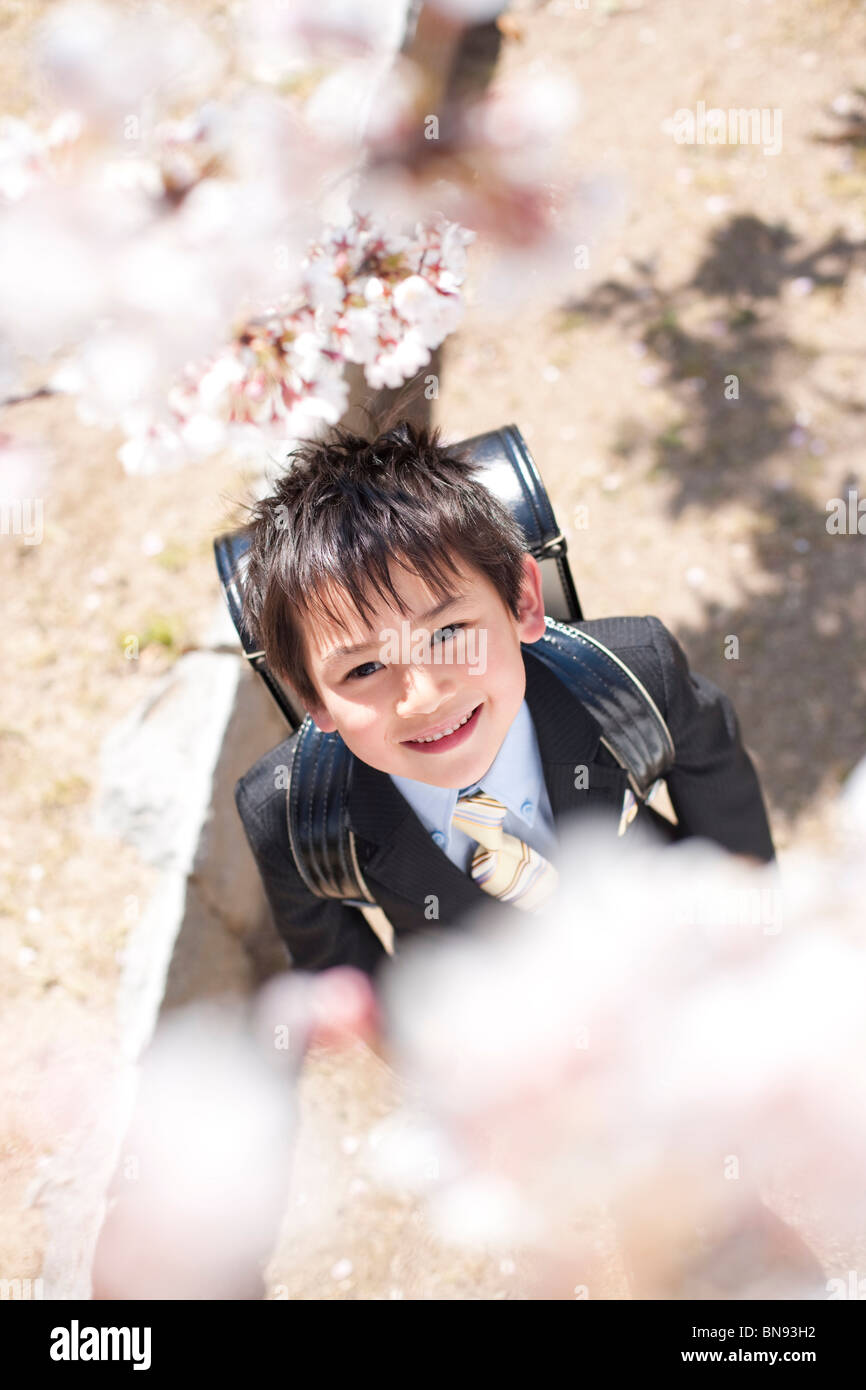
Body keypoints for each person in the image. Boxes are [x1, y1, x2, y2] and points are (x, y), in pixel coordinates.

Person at [233, 418, 776, 982]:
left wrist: (749, 941)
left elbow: (724, 798)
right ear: (311, 699)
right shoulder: (294, 817)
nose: (421, 697)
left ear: (521, 600)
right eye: (365, 668)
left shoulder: (632, 680)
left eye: (447, 634)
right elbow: (347, 978)